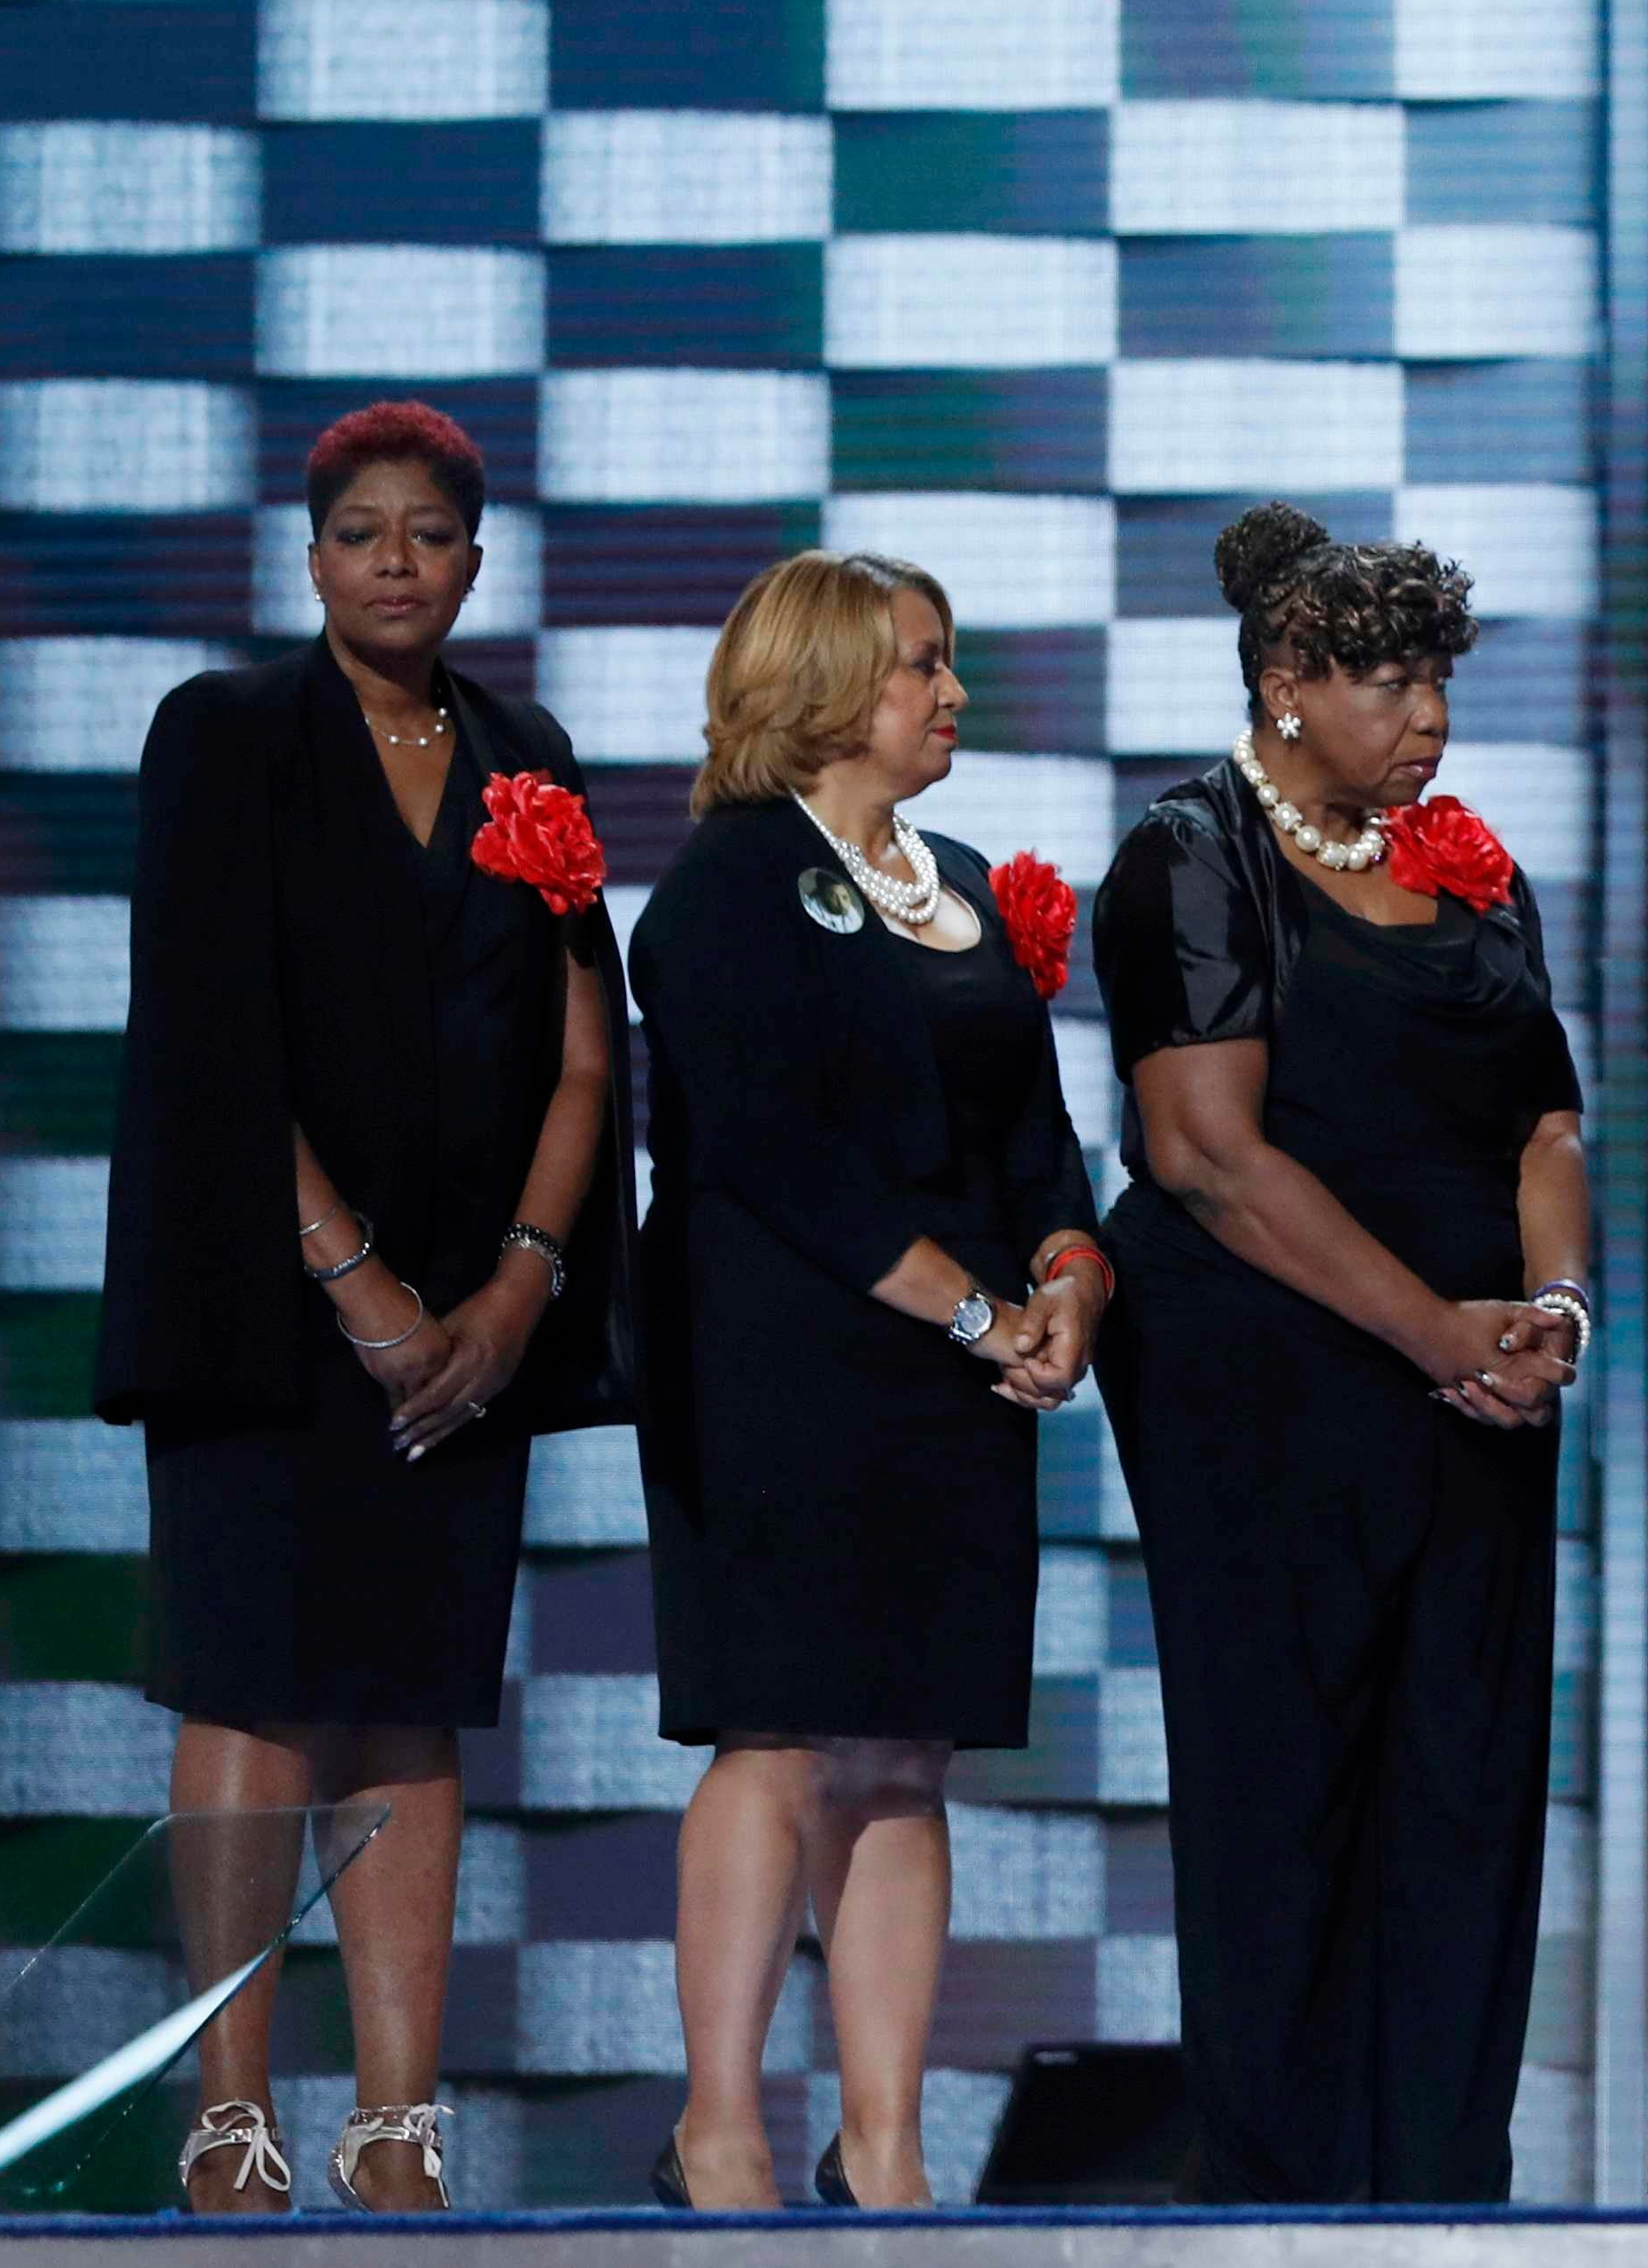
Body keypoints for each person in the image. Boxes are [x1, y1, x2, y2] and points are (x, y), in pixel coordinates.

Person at [97, 402, 630, 2213]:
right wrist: (360, 1284)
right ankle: (230, 2118)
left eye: (430, 533)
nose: (396, 562)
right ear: (310, 555)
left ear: (477, 559)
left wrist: (517, 1291)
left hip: (471, 1323)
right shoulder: (226, 731)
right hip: (262, 1303)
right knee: (250, 1686)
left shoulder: (528, 755)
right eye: (360, 532)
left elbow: (585, 1052)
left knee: (412, 1699)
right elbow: (208, 1034)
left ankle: (399, 2126)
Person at [1097, 504, 1591, 2200]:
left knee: (1466, 1776)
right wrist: (1429, 1328)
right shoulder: (1190, 853)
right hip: (1262, 1370)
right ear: (1287, 682)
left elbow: (1547, 1125)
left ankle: (1445, 2193)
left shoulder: (1474, 865)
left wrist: (1551, 1313)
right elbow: (1208, 1158)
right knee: (1283, 1775)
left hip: (1481, 1386)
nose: (1429, 717)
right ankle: (1275, 2199)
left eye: (1440, 680)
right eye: (1391, 682)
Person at [629, 551, 1102, 2211]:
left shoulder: (954, 880)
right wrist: (974, 1314)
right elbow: (773, 1154)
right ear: (825, 684)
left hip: (954, 1379)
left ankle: (885, 2148)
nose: (952, 692)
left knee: (906, 1753)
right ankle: (722, 2133)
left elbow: (1032, 1129)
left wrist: (1067, 1274)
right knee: (779, 1738)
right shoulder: (728, 885)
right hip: (778, 1369)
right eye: (922, 663)